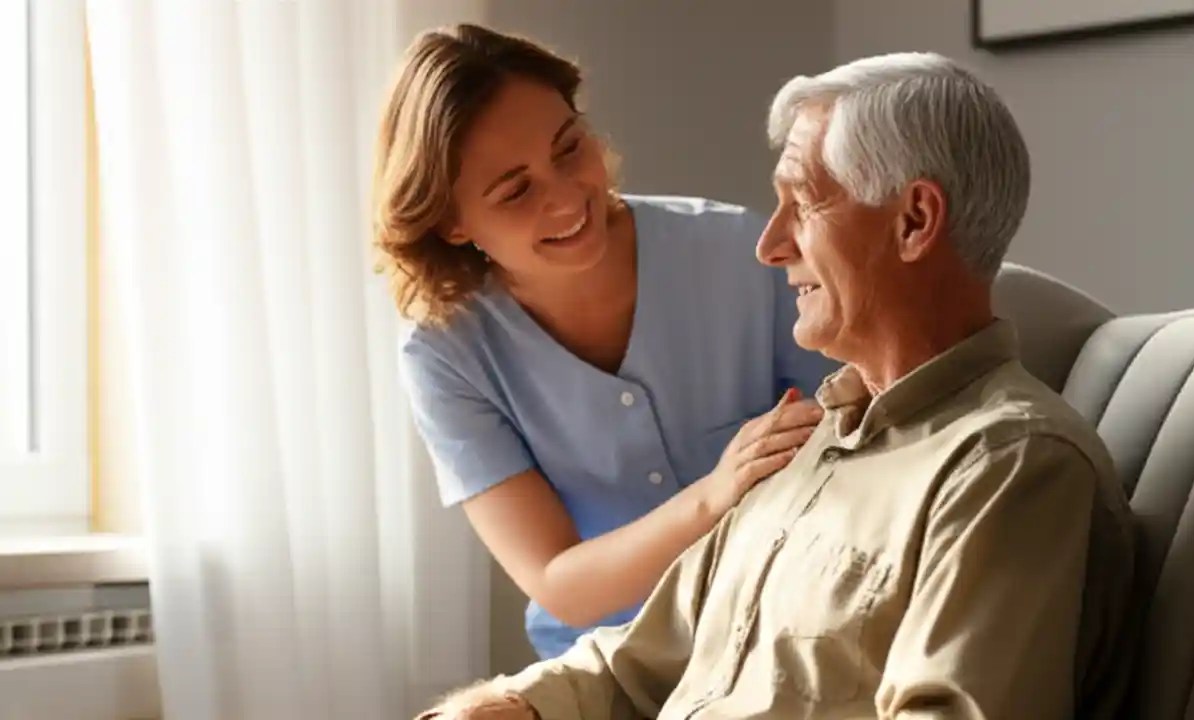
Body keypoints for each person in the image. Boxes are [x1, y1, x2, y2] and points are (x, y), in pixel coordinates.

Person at [419, 52, 1137, 720]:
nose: (769, 246)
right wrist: (510, 707)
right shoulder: (801, 446)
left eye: (805, 204)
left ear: (914, 221)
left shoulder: (1005, 466)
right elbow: (636, 660)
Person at [372, 24, 838, 661]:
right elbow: (558, 583)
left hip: (779, 629)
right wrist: (714, 493)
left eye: (569, 148)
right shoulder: (444, 354)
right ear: (451, 222)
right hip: (604, 665)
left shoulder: (741, 252)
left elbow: (859, 431)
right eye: (515, 191)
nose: (565, 197)